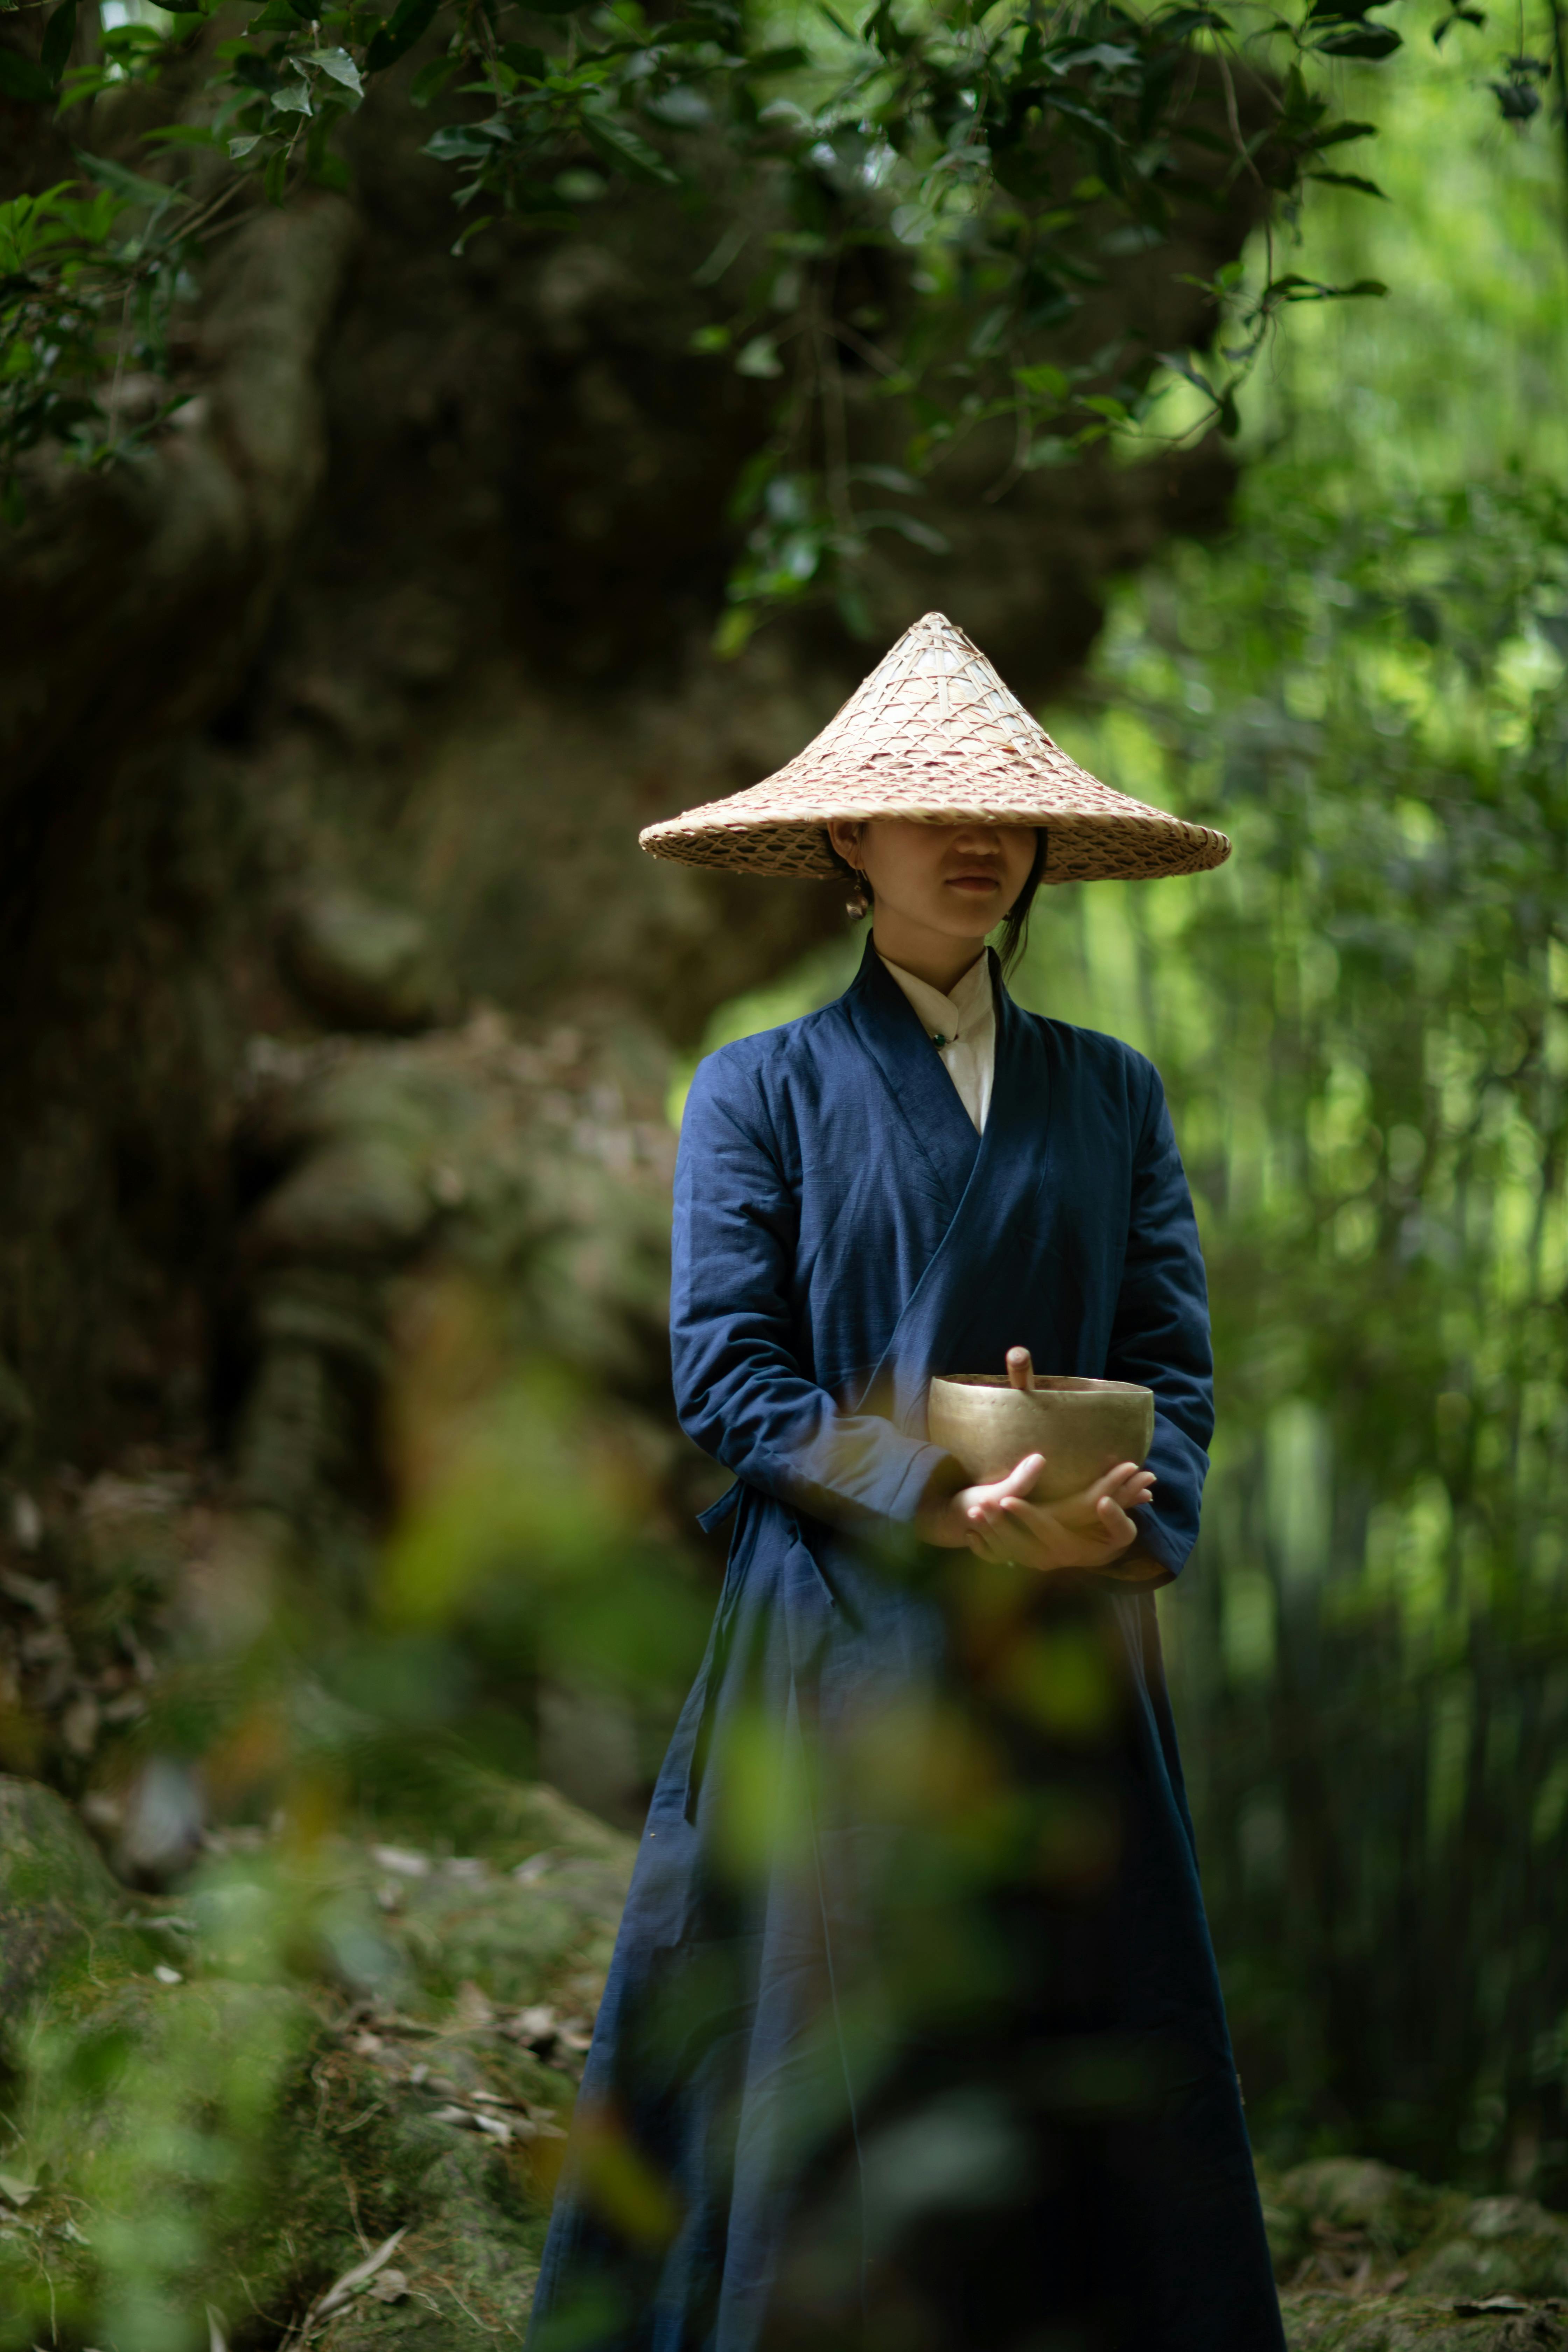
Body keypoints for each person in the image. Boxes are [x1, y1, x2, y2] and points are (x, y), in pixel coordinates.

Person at [526, 613, 1284, 2351]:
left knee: (1063, 2033)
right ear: (845, 844)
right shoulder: (758, 1089)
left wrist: (1118, 1524)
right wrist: (933, 1500)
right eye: (926, 805)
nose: (973, 838)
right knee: (830, 2029)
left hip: (1066, 1646)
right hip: (833, 1627)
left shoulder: (1113, 1094)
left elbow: (1173, 1368)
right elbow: (726, 1374)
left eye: (1001, 816)